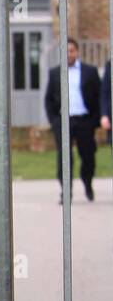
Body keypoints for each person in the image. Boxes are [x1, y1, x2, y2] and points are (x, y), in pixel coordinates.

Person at [45, 39, 100, 201]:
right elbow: (49, 99)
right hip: (63, 121)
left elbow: (98, 96)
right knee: (64, 158)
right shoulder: (55, 73)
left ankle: (87, 182)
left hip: (84, 121)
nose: (69, 54)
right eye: (66, 51)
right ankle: (66, 191)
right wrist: (54, 121)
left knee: (88, 156)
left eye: (71, 50)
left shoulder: (90, 71)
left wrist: (94, 121)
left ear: (77, 52)